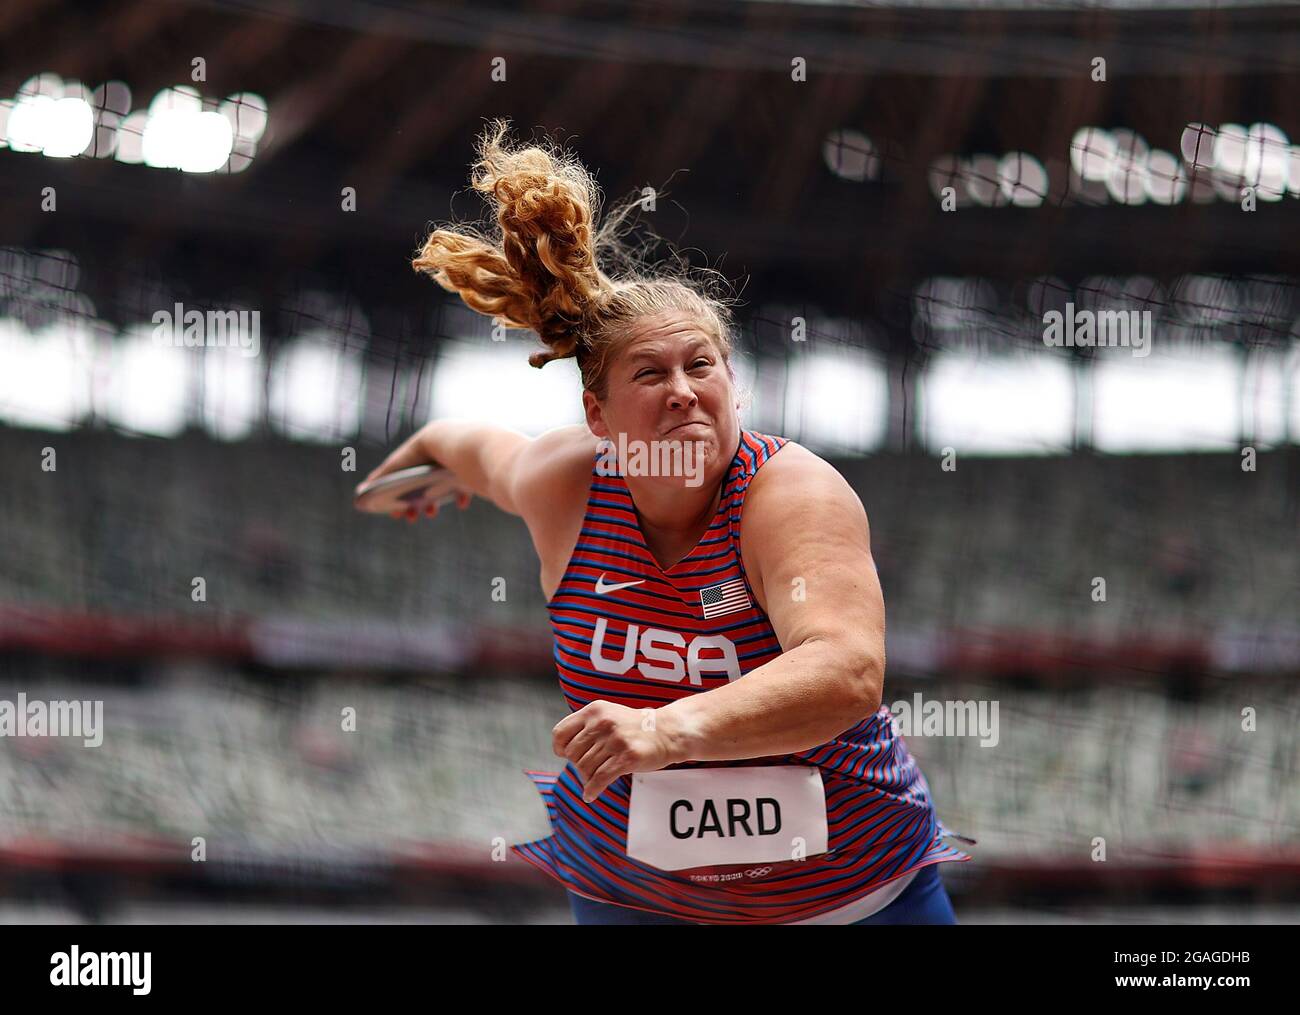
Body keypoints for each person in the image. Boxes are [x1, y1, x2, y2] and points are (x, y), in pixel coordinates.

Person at [363, 119, 972, 924]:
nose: (683, 390)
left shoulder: (789, 493)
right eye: (650, 373)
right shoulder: (565, 483)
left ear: (735, 387)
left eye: (702, 365)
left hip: (855, 900)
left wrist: (667, 730)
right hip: (641, 899)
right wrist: (385, 491)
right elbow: (461, 444)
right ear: (599, 413)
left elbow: (848, 671)